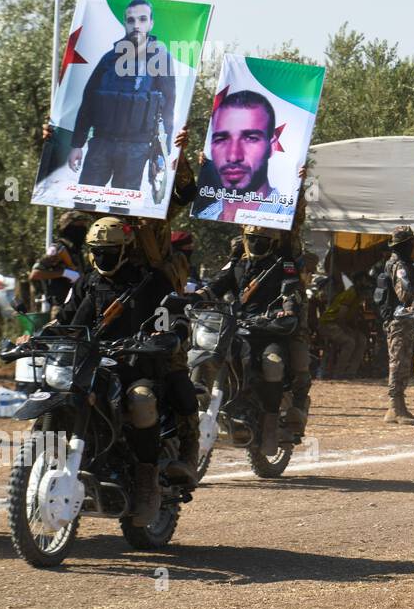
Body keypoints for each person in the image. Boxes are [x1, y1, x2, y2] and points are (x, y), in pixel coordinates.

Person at [55, 216, 200, 526]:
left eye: (109, 251)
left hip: (135, 369)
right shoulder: (87, 283)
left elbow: (171, 317)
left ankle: (147, 480)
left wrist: (166, 335)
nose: (102, 257)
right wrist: (40, 335)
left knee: (142, 401)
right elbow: (65, 320)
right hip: (92, 366)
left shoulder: (150, 281)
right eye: (97, 250)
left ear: (126, 250)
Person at [203, 225, 311, 451]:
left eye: (261, 239)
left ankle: (271, 424)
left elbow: (290, 290)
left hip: (268, 330)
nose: (255, 243)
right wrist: (194, 296)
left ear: (272, 243)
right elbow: (217, 284)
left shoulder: (283, 265)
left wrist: (288, 309)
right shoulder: (238, 264)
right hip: (235, 328)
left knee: (273, 363)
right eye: (251, 238)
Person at [67, 0, 176, 192]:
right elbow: (88, 103)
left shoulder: (161, 60)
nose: (136, 25)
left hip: (136, 149)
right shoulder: (109, 59)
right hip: (101, 144)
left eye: (142, 19)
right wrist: (76, 145)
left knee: (121, 211)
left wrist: (160, 157)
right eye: (131, 20)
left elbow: (168, 111)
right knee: (84, 202)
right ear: (125, 23)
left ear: (151, 23)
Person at [193, 89, 291, 222]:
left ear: (272, 146)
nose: (233, 156)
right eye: (221, 139)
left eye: (250, 138)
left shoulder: (286, 217)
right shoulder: (203, 216)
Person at [375, 226, 414, 423]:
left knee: (403, 362)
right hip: (400, 320)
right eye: (410, 243)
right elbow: (405, 294)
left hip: (403, 320)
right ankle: (395, 408)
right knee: (398, 362)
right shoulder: (400, 266)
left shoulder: (401, 263)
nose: (413, 246)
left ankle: (398, 406)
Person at [29, 211, 90, 317]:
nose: (83, 230)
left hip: (78, 307)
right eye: (79, 226)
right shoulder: (57, 249)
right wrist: (64, 273)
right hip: (61, 309)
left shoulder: (76, 250)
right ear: (68, 228)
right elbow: (35, 274)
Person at [320, 272, 368, 378]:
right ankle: (339, 373)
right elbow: (341, 316)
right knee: (349, 342)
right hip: (328, 324)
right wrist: (347, 330)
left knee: (362, 340)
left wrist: (352, 329)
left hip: (340, 324)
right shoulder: (351, 293)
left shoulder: (359, 296)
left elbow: (352, 316)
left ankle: (351, 372)